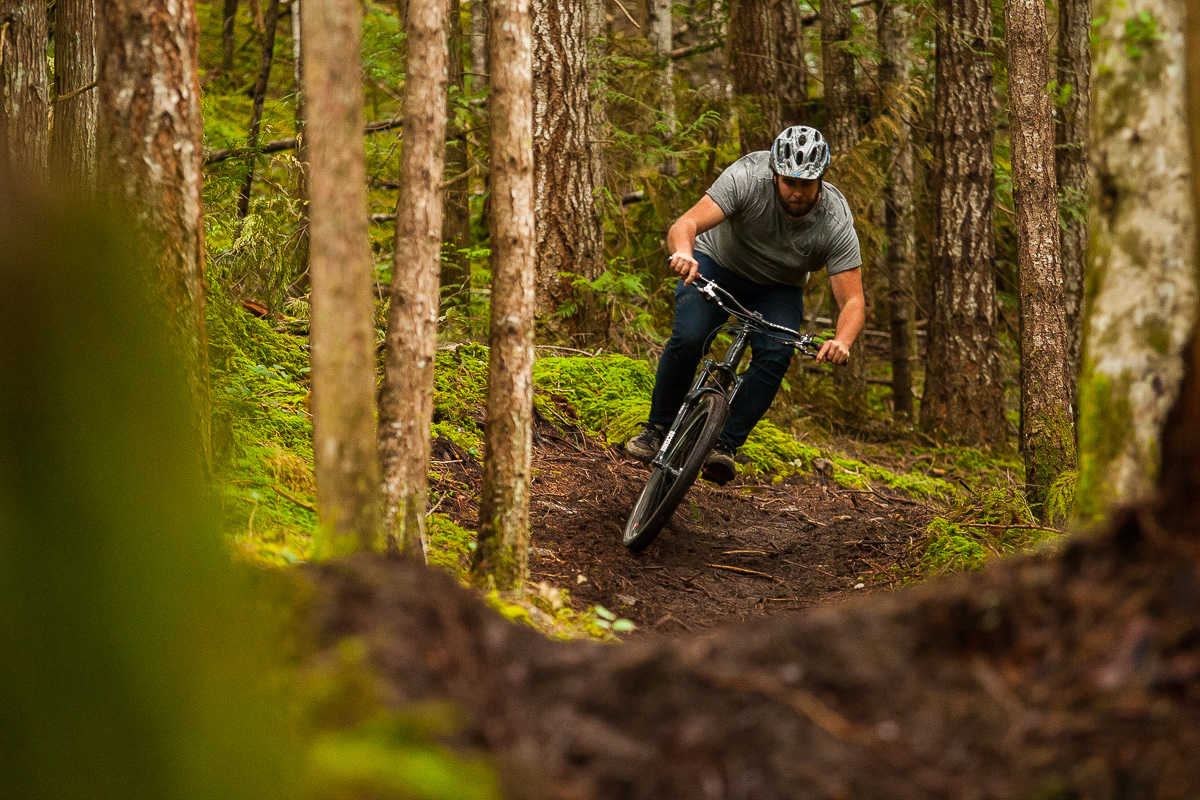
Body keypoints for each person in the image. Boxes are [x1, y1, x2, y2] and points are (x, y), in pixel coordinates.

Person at [624, 125, 865, 485]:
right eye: (789, 182)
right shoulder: (747, 177)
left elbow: (854, 299)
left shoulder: (835, 220)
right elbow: (685, 223)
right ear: (774, 174)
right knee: (690, 338)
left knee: (775, 355)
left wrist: (843, 341)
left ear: (821, 179)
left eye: (806, 183)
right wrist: (684, 253)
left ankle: (725, 445)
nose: (797, 192)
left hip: (779, 288)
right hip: (716, 264)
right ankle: (656, 428)